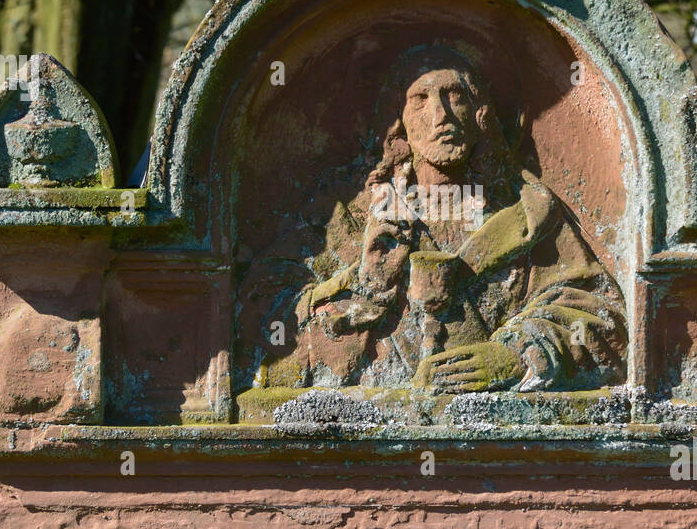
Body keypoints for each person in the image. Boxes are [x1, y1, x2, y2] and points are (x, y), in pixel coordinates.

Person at [241, 44, 626, 393]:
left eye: (455, 95)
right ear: (400, 122)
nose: (440, 114)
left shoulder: (529, 212)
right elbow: (267, 315)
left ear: (481, 115)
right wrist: (362, 287)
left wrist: (519, 355)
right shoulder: (351, 216)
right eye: (420, 99)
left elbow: (601, 314)